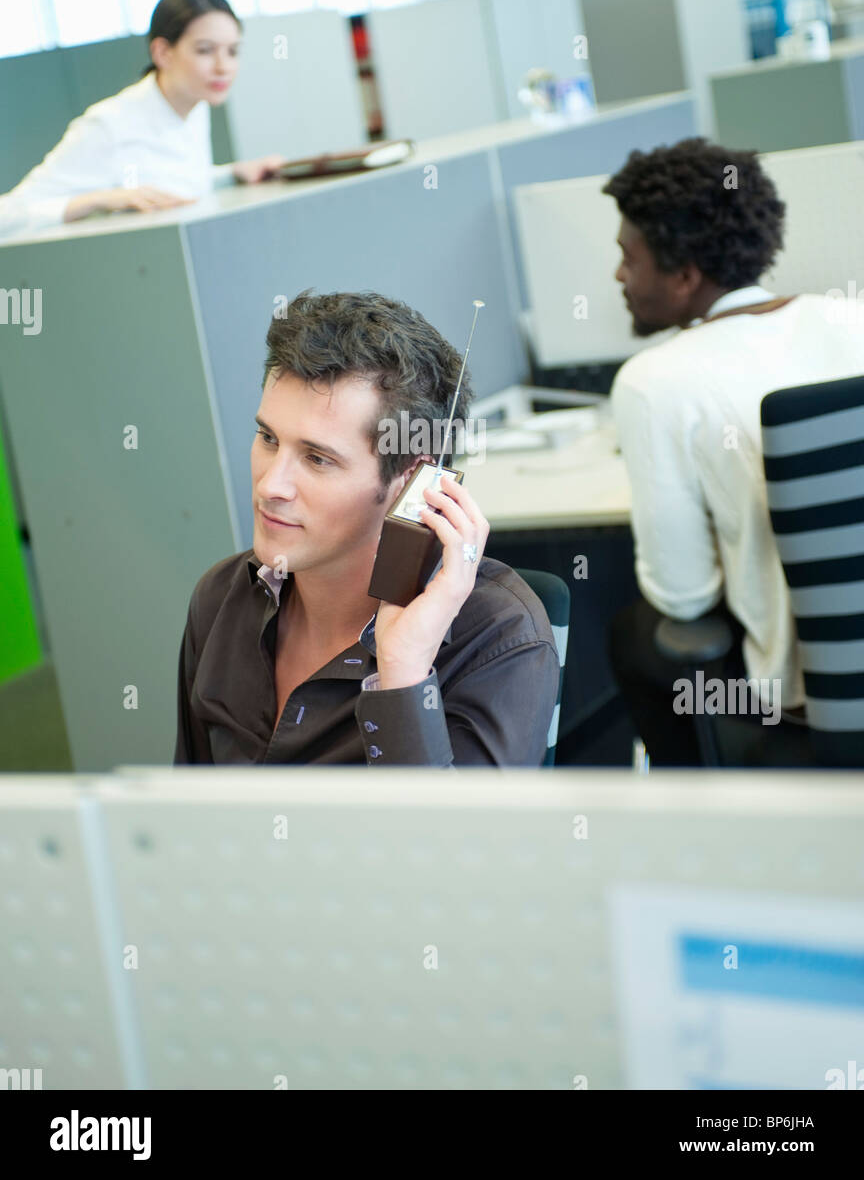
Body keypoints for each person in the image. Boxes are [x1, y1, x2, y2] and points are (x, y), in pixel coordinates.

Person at [175, 290, 560, 767]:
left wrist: (402, 671)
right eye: (268, 438)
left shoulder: (499, 640)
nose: (271, 485)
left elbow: (451, 842)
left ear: (411, 481)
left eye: (318, 459)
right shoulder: (219, 599)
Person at [603, 137, 864, 764]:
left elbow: (683, 594)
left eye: (627, 257)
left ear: (685, 275)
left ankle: (704, 832)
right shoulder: (853, 317)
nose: (618, 276)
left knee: (636, 633)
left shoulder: (654, 380)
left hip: (808, 697)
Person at [0, 0, 285, 236]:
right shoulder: (107, 126)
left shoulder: (193, 107)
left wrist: (233, 173)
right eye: (205, 50)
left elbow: (166, 182)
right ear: (162, 52)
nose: (224, 67)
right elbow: (7, 216)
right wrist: (96, 200)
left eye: (232, 51)